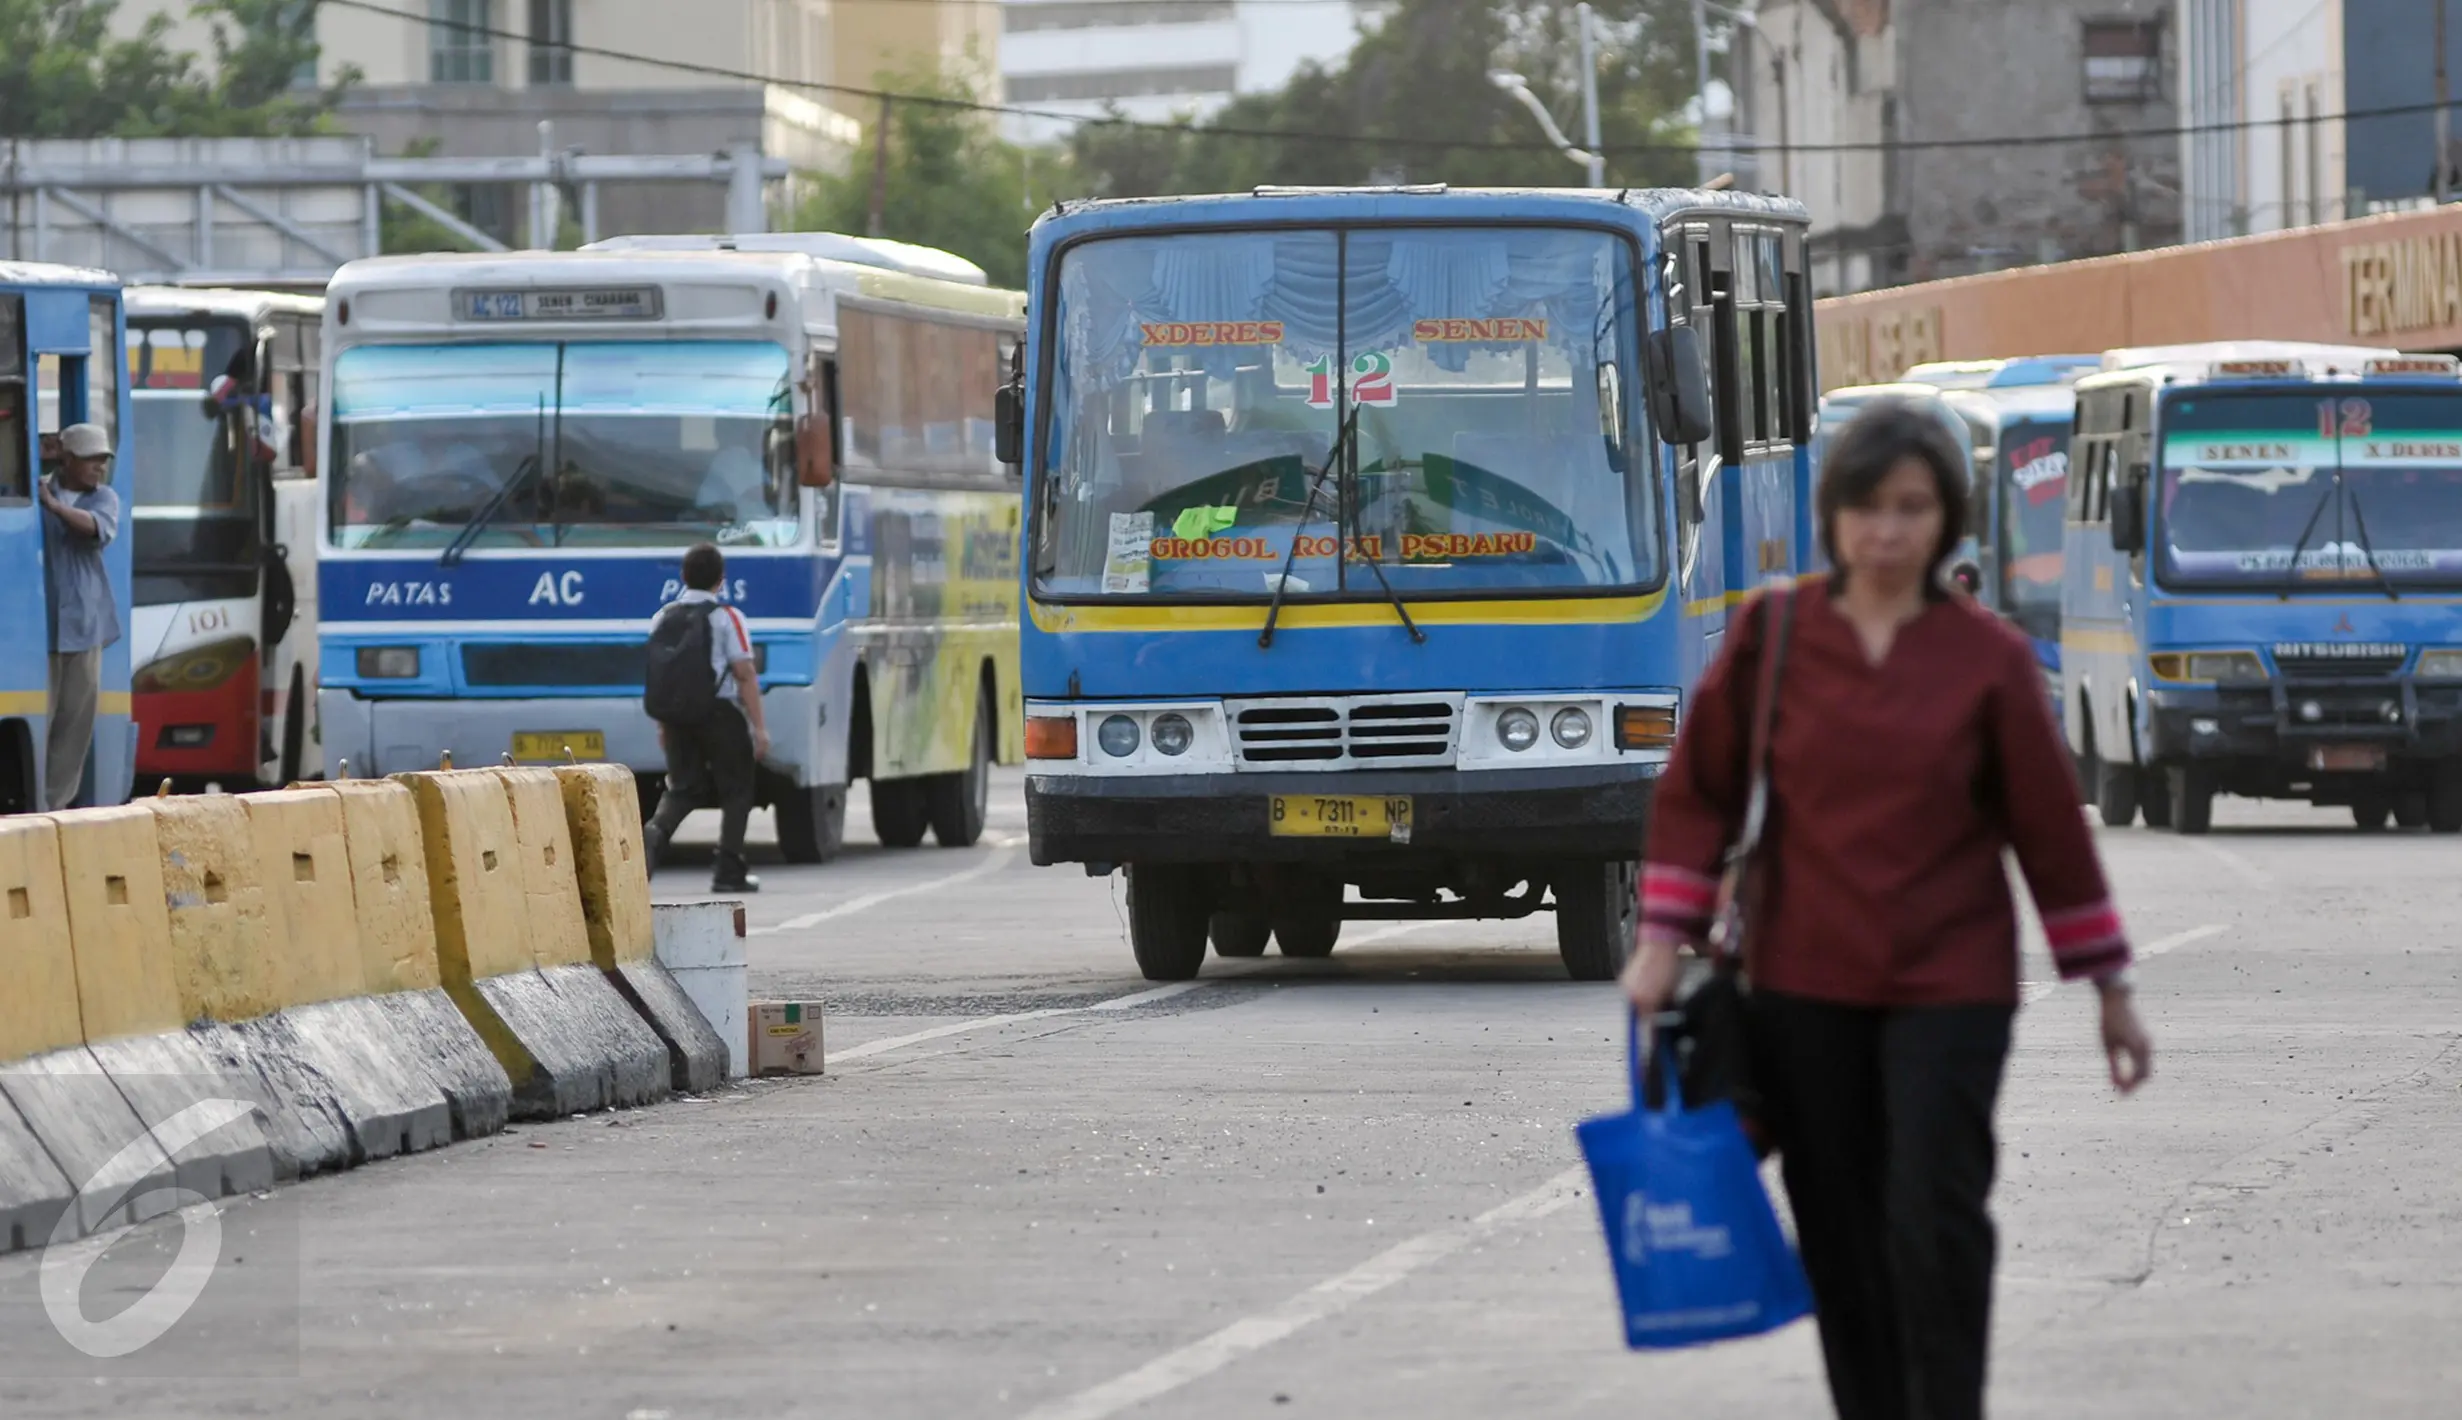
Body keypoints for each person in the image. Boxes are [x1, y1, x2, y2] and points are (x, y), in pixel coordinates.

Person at [1621, 398, 2154, 1420]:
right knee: (1836, 1222)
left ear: (1943, 518)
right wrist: (1659, 942)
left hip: (1948, 988)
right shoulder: (1773, 636)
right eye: (1866, 506)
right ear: (1832, 515)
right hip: (1799, 984)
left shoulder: (1986, 660)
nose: (1886, 530)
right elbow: (1698, 789)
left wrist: (2110, 991)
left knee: (1931, 1211)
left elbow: (2049, 834)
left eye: (1910, 507)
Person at [642, 542, 768, 893]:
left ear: (683, 576)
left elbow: (663, 676)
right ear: (720, 580)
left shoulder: (662, 617)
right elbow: (743, 672)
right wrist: (759, 728)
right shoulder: (727, 617)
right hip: (719, 714)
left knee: (683, 788)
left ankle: (655, 833)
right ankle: (728, 869)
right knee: (737, 788)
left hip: (677, 717)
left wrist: (664, 725)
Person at [40, 423, 124, 811]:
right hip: (39, 631)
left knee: (73, 727)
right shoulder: (38, 489)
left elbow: (95, 530)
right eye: (91, 459)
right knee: (41, 720)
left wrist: (55, 508)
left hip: (83, 628)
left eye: (103, 460)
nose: (99, 468)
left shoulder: (103, 499)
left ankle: (54, 808)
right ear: (67, 458)